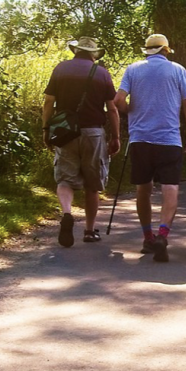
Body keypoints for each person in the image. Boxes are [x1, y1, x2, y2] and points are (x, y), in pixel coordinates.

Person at [113, 33, 186, 263]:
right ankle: (162, 234)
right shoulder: (178, 70)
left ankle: (147, 237)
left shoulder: (133, 69)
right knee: (170, 189)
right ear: (166, 51)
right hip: (169, 139)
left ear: (147, 51)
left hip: (140, 139)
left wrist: (131, 110)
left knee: (144, 189)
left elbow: (118, 101)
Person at [43, 37, 121, 247]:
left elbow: (49, 102)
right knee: (92, 184)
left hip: (65, 131)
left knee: (65, 179)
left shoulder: (61, 69)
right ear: (94, 53)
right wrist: (116, 136)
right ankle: (88, 230)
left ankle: (67, 213)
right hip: (93, 133)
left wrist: (46, 129)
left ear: (75, 50)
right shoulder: (102, 73)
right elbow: (112, 108)